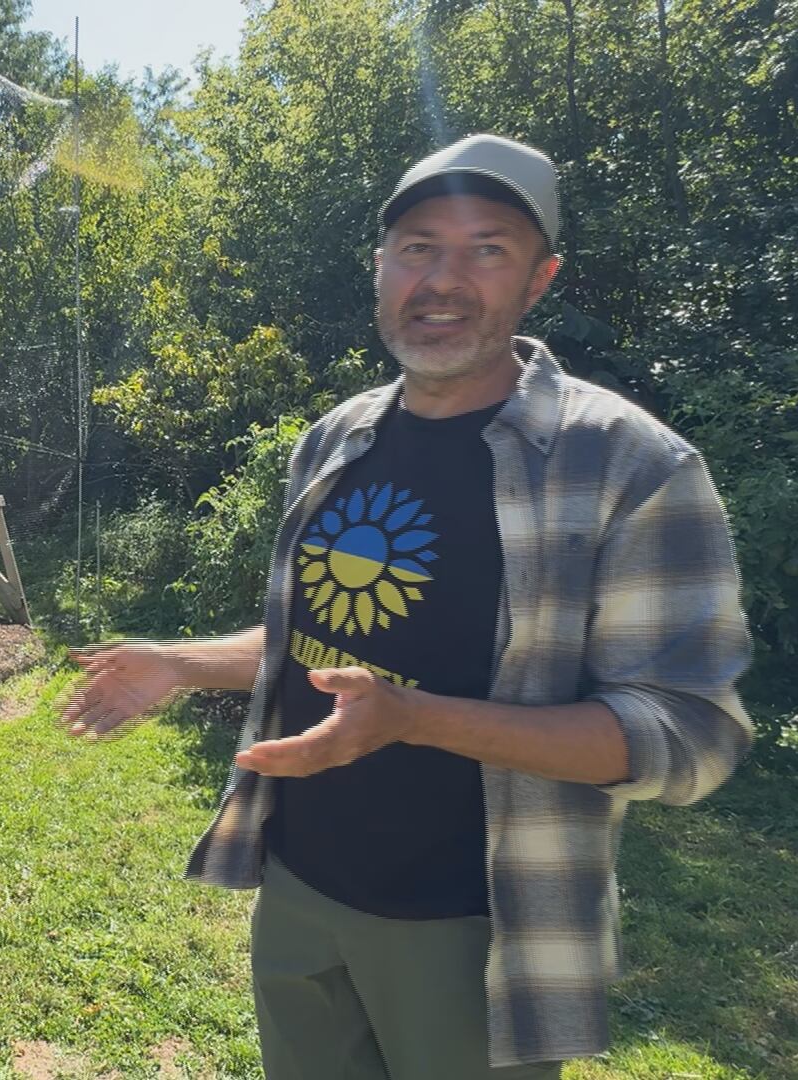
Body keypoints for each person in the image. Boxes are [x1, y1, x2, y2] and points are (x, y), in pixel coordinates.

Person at [63, 134, 753, 1079]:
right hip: (300, 889)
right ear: (381, 270)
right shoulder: (337, 437)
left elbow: (688, 734)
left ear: (540, 278)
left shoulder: (630, 466)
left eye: (488, 249)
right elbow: (324, 635)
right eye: (420, 246)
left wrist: (417, 721)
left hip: (472, 923)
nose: (444, 280)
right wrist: (183, 663)